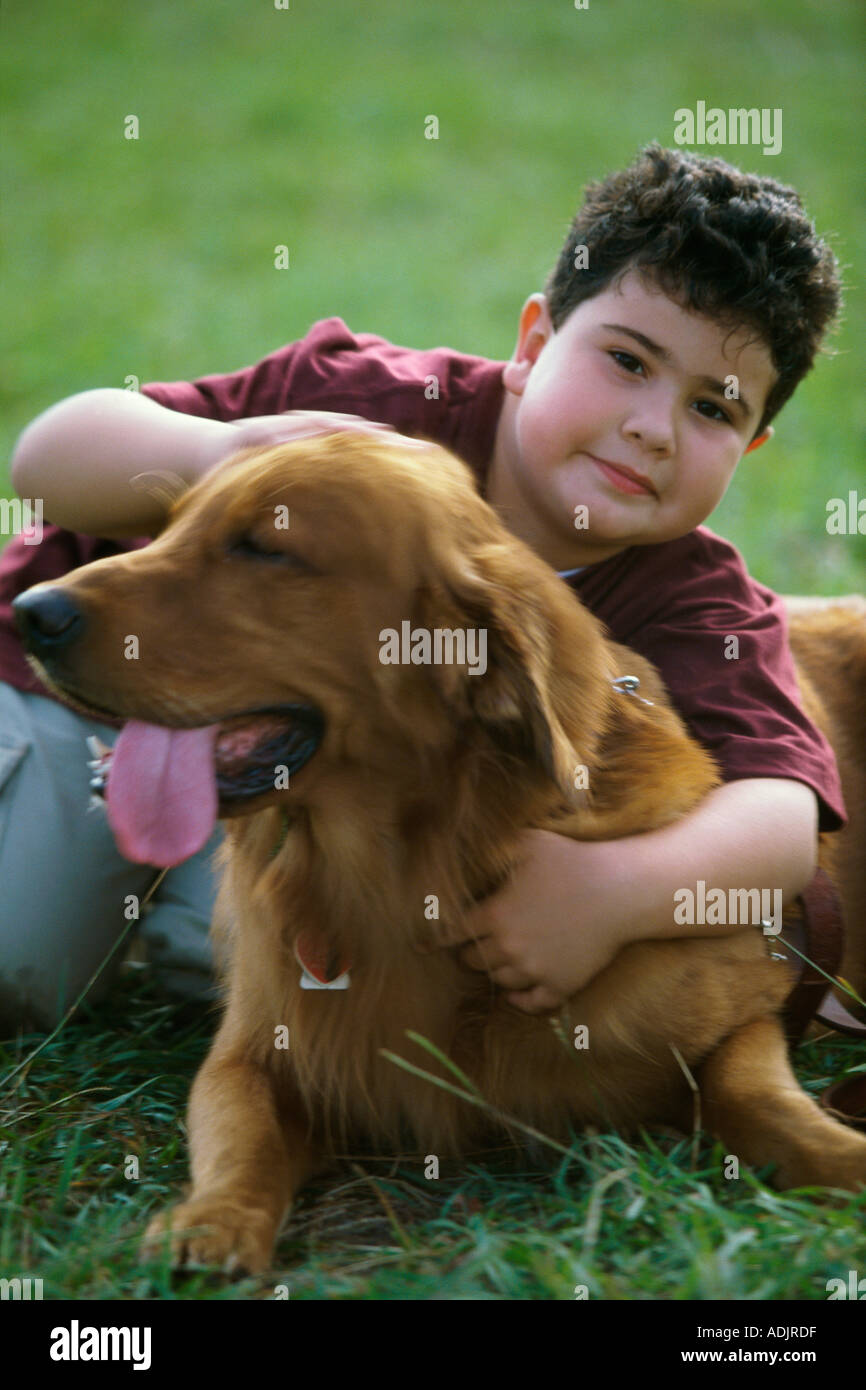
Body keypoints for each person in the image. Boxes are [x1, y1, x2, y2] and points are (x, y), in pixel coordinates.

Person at [0, 144, 846, 1032]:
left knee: (250, 964)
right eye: (628, 362)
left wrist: (611, 892)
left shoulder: (694, 595)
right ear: (534, 344)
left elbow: (781, 820)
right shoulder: (363, 411)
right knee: (23, 961)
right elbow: (47, 457)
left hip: (279, 776)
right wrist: (210, 453)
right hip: (72, 682)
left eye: (713, 408)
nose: (652, 429)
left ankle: (167, 896)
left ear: (750, 448)